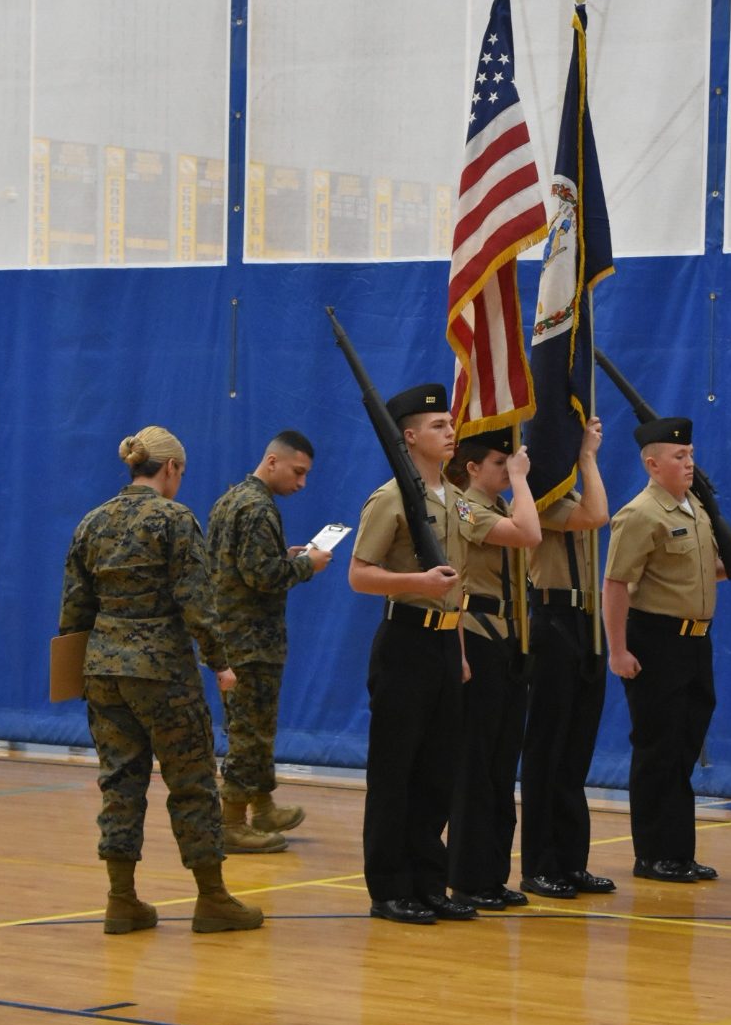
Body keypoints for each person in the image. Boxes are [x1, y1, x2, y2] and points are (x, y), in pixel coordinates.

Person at [58, 425, 263, 934]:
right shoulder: (175, 519)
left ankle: (121, 900)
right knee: (191, 782)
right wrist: (220, 663)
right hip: (162, 673)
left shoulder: (92, 521)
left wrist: (74, 673)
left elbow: (74, 610)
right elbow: (197, 602)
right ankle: (212, 899)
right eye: (181, 472)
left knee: (120, 783)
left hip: (103, 670)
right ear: (170, 468)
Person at [602, 415, 731, 882]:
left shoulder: (693, 508)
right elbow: (615, 584)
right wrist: (617, 650)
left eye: (690, 455)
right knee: (658, 749)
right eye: (679, 456)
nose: (689, 462)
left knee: (684, 747)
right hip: (656, 641)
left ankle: (678, 852)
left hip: (696, 643)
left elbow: (693, 572)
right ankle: (653, 854)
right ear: (653, 464)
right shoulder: (639, 514)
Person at [348, 383, 476, 925]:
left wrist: (462, 649)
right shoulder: (390, 498)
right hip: (405, 641)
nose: (451, 433)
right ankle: (390, 887)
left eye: (450, 425)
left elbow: (457, 585)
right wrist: (416, 581)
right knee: (396, 772)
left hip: (447, 641)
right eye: (439, 426)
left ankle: (429, 881)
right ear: (409, 436)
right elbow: (360, 574)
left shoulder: (454, 499)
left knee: (437, 773)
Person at [207, 430, 332, 853]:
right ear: (273, 461)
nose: (301, 483)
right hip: (251, 641)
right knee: (249, 732)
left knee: (256, 727)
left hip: (235, 636)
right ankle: (231, 822)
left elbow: (240, 565)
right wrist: (306, 566)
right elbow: (261, 577)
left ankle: (261, 806)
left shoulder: (232, 499)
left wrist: (287, 558)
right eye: (298, 472)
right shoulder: (258, 508)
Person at [518, 416, 615, 899]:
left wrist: (587, 459)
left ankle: (572, 861)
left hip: (585, 619)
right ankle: (539, 863)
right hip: (552, 617)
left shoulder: (572, 497)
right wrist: (589, 457)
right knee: (548, 749)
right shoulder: (542, 500)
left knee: (576, 750)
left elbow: (596, 512)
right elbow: (598, 516)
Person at [445, 430, 541, 911]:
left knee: (503, 767)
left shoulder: (502, 507)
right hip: (478, 635)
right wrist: (522, 481)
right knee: (476, 767)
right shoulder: (464, 507)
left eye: (511, 462)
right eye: (500, 462)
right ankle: (466, 876)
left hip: (509, 636)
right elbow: (529, 536)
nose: (509, 468)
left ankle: (493, 874)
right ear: (472, 468)